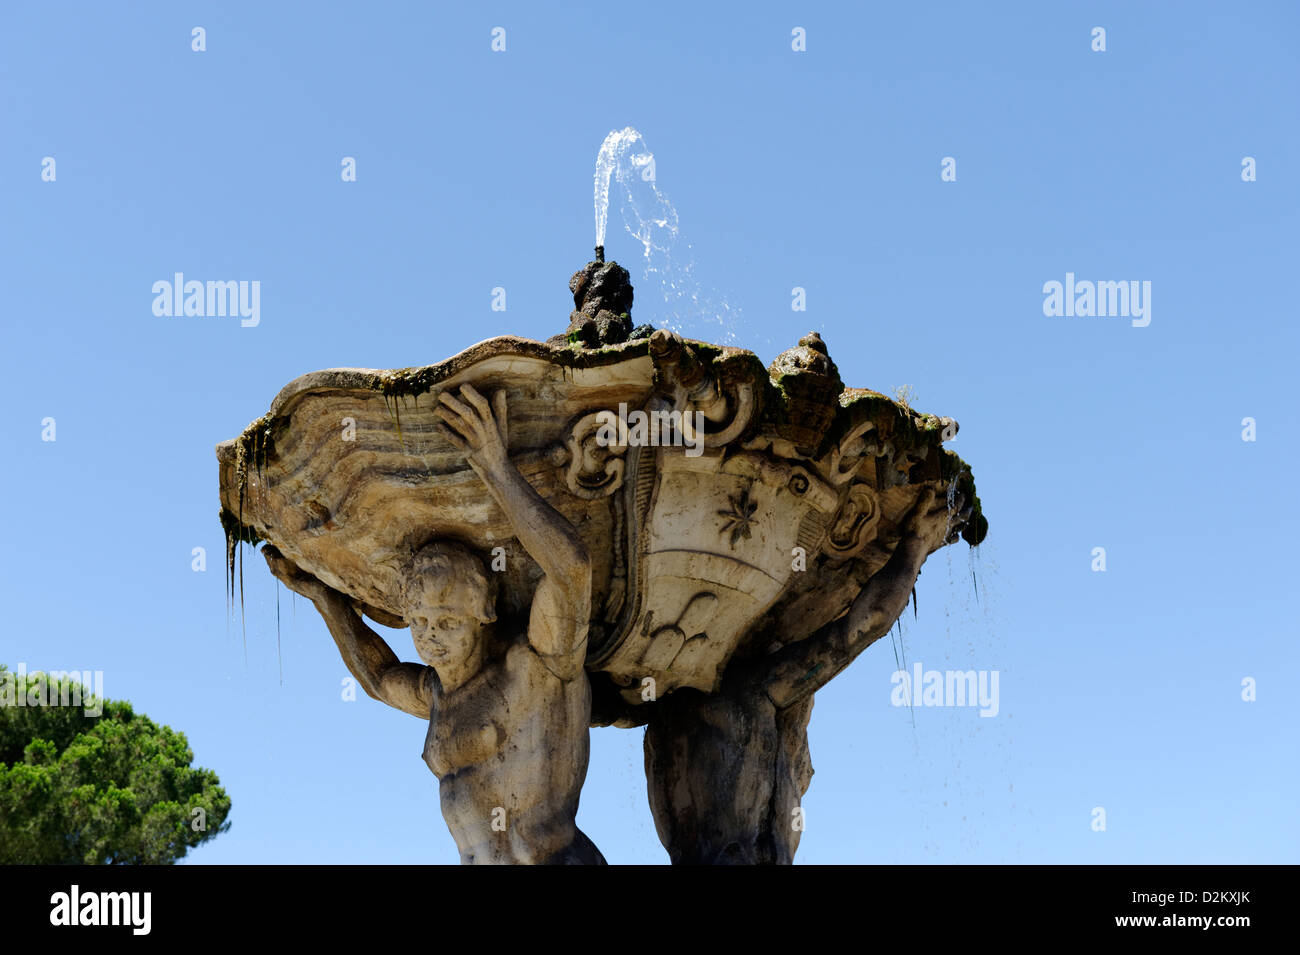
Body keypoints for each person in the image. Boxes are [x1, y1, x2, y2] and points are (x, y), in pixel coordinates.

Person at [264, 383, 604, 864]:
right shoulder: (437, 696)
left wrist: (495, 467)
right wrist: (325, 597)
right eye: (419, 622)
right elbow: (380, 679)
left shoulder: (538, 666)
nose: (430, 638)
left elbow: (571, 571)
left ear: (485, 612)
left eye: (447, 622)